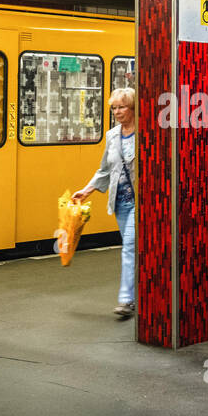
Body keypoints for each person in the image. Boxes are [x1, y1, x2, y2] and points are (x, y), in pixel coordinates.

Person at [74, 87, 137, 320]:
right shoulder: (112, 136)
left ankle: (125, 299)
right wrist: (86, 191)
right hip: (120, 202)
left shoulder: (145, 133)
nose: (117, 112)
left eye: (121, 107)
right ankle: (140, 294)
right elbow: (104, 170)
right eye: (114, 108)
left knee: (129, 246)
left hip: (140, 204)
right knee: (134, 249)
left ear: (132, 108)